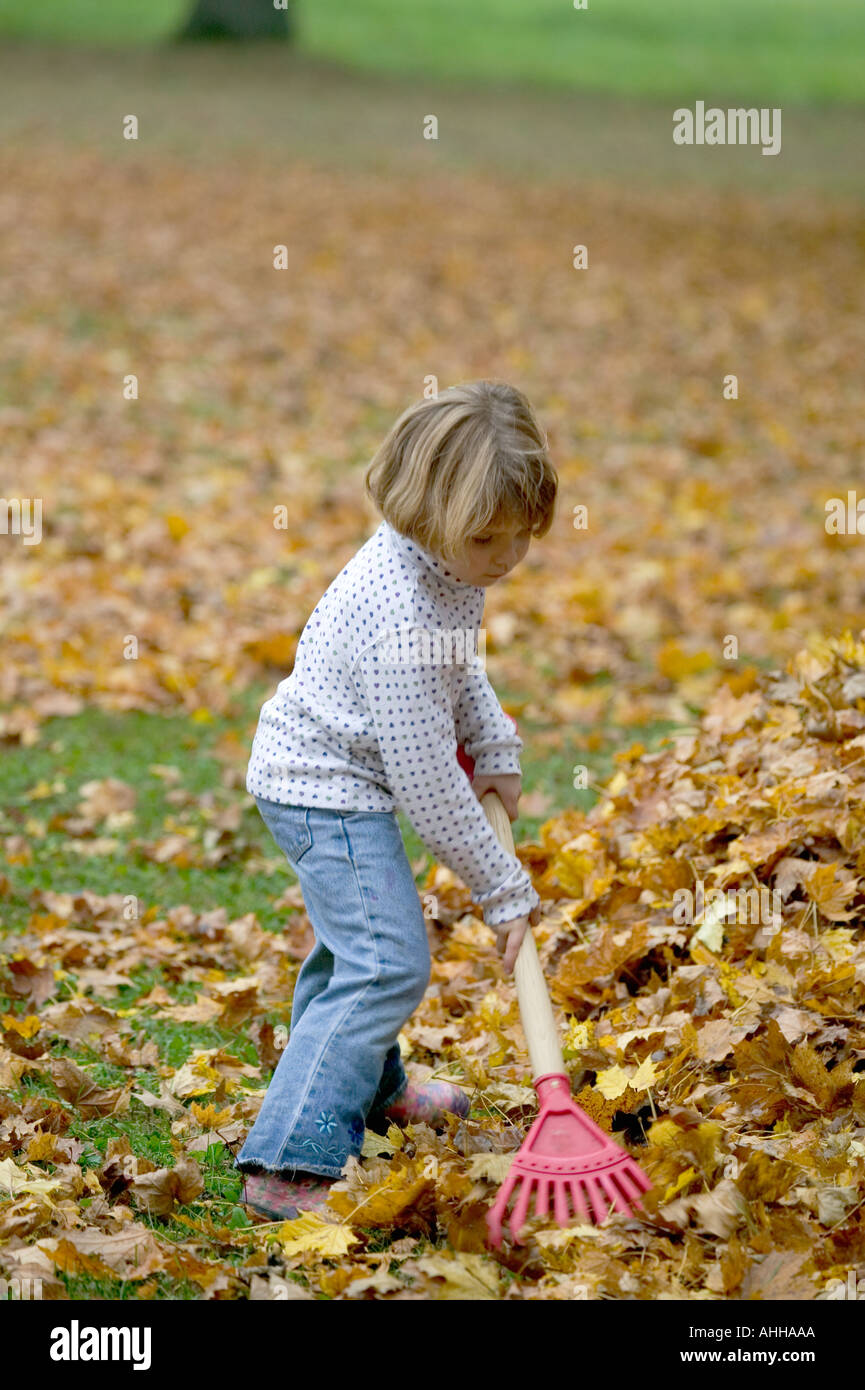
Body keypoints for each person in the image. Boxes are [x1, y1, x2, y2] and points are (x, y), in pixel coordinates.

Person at [236, 380, 557, 1219]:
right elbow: (425, 781)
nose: (507, 555)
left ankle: (370, 1091)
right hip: (323, 791)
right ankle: (288, 1163)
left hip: (339, 777)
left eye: (520, 534)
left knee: (356, 955)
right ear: (426, 508)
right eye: (489, 537)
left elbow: (460, 668)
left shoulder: (442, 562)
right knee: (385, 961)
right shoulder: (400, 607)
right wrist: (502, 890)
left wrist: (496, 745)